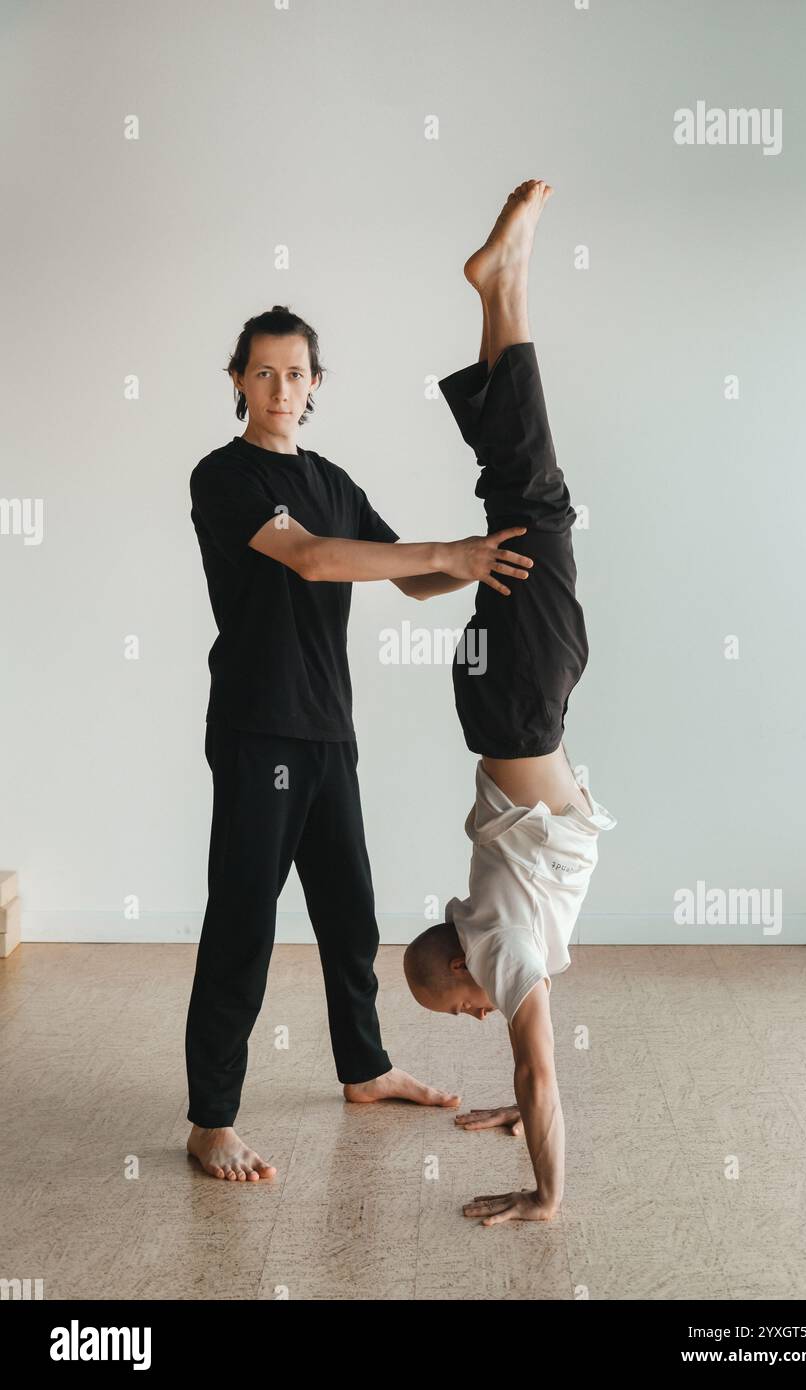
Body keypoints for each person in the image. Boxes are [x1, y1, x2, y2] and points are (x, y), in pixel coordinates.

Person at [185, 304, 536, 1181]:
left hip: (326, 729)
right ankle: (210, 1119)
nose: (279, 388)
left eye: (296, 373)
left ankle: (366, 1068)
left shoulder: (332, 480)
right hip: (258, 725)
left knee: (350, 917)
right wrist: (446, 553)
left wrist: (481, 563)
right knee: (244, 922)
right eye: (262, 371)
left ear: (316, 385)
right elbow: (309, 558)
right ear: (238, 380)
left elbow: (409, 576)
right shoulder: (220, 476)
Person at [403, 179, 617, 1226]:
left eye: (454, 1006)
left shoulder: (498, 951)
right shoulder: (486, 927)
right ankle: (500, 287)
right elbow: (521, 1079)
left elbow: (541, 1073)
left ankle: (504, 283)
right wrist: (506, 1110)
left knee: (529, 499)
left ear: (458, 966)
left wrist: (544, 1193)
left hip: (519, 712)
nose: (470, 1014)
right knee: (519, 494)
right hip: (502, 713)